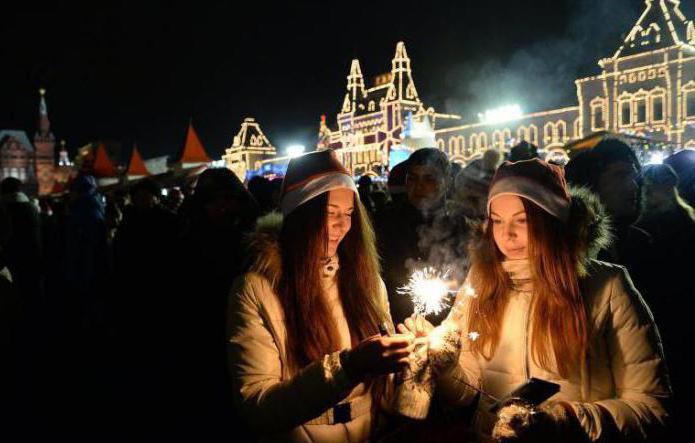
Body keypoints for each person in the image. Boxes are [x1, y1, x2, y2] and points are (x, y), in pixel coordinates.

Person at [401, 159, 671, 441]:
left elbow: (651, 407)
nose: (507, 234)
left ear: (551, 220)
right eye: (497, 221)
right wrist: (446, 367)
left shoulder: (606, 288)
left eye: (523, 220)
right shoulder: (480, 282)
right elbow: (468, 393)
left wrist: (563, 421)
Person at [227, 150, 412, 442]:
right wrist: (348, 367)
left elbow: (385, 394)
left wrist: (410, 362)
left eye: (349, 214)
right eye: (330, 214)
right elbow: (258, 407)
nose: (342, 226)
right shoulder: (258, 289)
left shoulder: (368, 282)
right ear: (301, 214)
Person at [375, 148, 469, 325]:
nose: (419, 187)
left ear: (447, 181)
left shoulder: (462, 226)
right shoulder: (385, 223)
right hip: (399, 325)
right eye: (412, 178)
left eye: (429, 179)